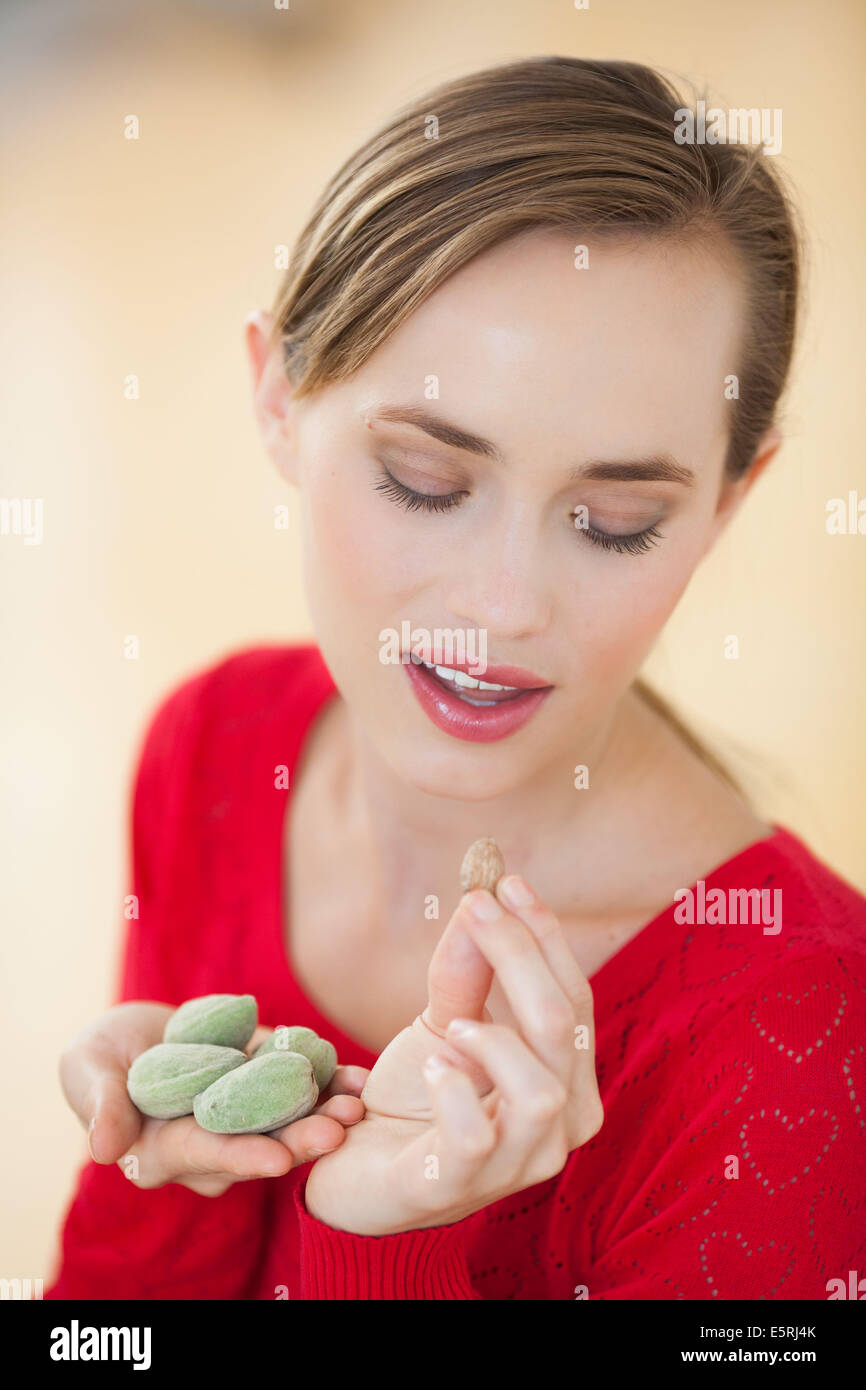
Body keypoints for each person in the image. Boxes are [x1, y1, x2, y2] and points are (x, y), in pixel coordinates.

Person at [45, 55, 865, 1301]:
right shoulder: (215, 745)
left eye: (612, 520)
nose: (499, 607)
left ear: (724, 507)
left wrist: (387, 1244)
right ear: (275, 396)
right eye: (425, 483)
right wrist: (157, 1176)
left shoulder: (800, 1051)